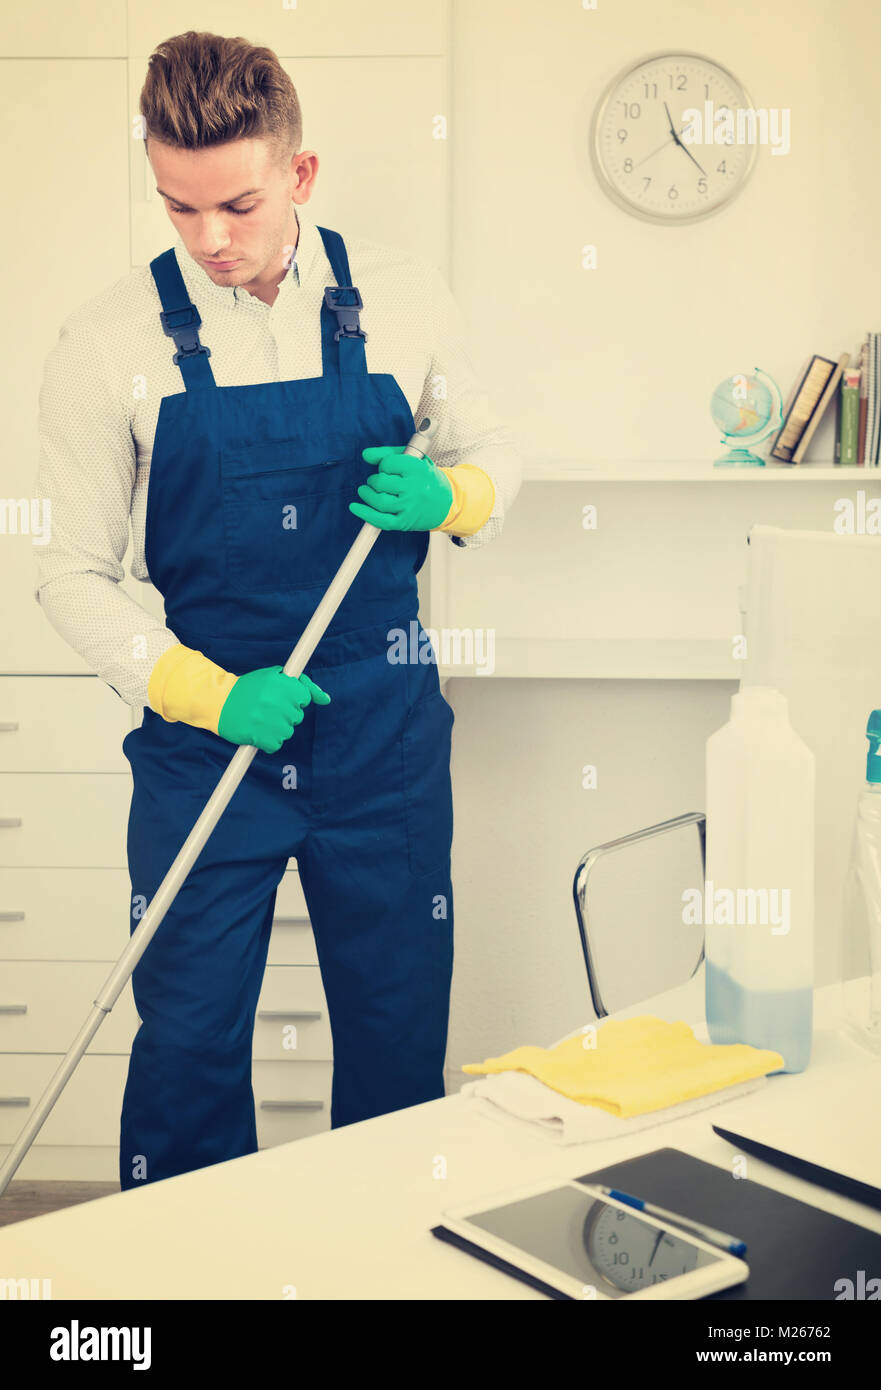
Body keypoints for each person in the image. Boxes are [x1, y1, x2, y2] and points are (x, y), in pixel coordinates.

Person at [34, 30, 522, 1191]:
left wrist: (453, 491)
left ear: (299, 175)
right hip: (208, 750)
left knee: (398, 1043)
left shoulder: (404, 298)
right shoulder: (104, 343)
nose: (209, 240)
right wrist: (210, 694)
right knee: (189, 1047)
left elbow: (493, 447)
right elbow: (64, 571)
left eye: (237, 205)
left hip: (384, 745)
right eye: (178, 208)